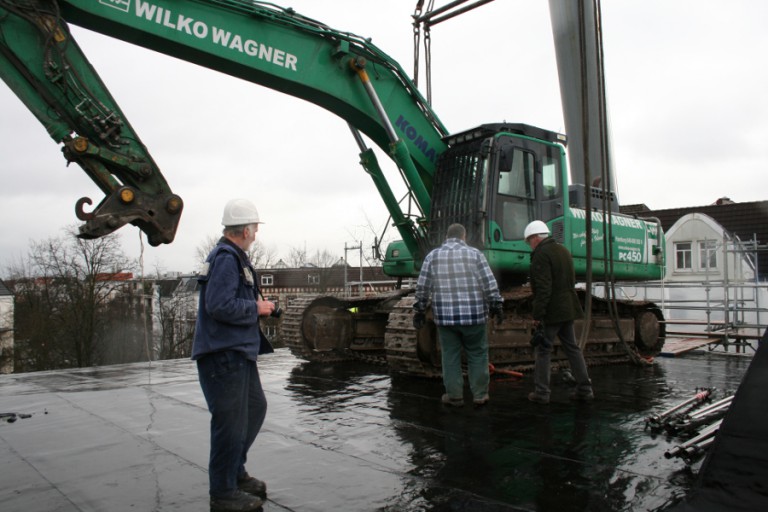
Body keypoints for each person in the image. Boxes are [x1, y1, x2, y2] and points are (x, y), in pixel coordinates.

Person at [192, 198, 276, 512]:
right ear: (243, 229)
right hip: (223, 354)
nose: (256, 234)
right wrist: (256, 307)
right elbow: (219, 305)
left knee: (254, 408)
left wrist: (260, 308)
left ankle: (235, 473)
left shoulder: (234, 257)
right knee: (229, 421)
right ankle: (223, 492)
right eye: (254, 228)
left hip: (237, 352)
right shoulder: (227, 258)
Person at [413, 223, 504, 407]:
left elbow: (423, 287)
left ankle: (454, 396)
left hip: (446, 319)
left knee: (450, 356)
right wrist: (496, 304)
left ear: (447, 236)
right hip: (474, 317)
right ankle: (480, 395)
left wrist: (420, 310)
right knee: (478, 354)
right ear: (464, 236)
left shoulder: (433, 257)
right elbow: (489, 283)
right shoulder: (475, 255)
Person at [524, 220, 594, 405]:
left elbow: (543, 289)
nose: (529, 245)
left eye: (529, 241)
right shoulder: (563, 251)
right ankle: (585, 389)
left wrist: (538, 315)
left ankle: (542, 392)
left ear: (535, 238)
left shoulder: (541, 255)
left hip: (552, 311)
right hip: (568, 308)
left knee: (543, 350)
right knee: (572, 348)